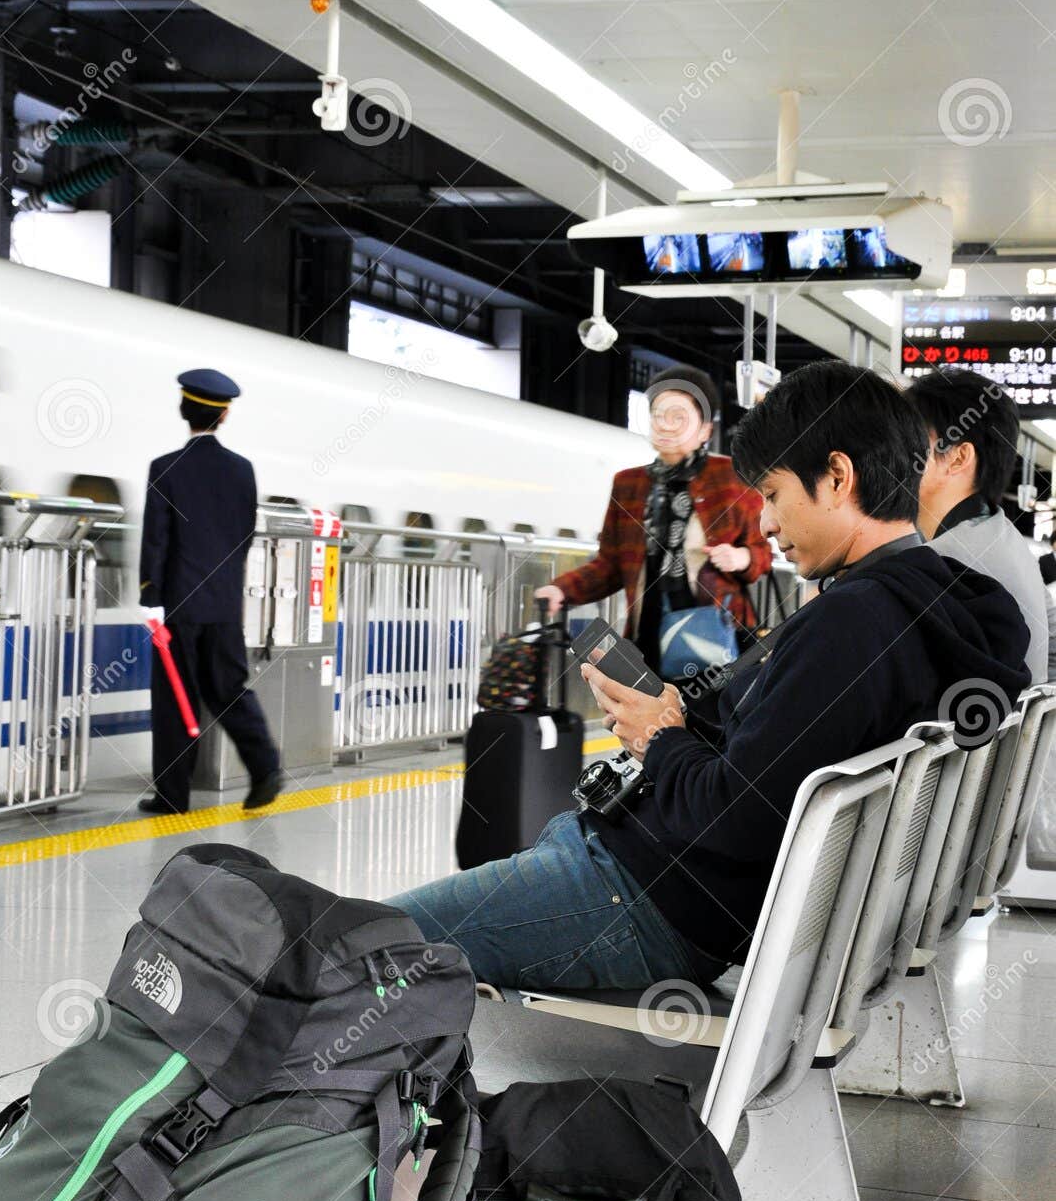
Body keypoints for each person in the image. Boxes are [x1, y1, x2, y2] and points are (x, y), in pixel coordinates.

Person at [390, 362, 1030, 991]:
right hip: (666, 884)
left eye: (775, 495)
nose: (769, 525)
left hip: (645, 898)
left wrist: (659, 734)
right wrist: (678, 720)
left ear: (837, 476)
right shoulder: (960, 604)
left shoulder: (854, 622)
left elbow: (735, 815)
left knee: (357, 941)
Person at [534, 365, 771, 679]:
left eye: (678, 417)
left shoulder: (733, 479)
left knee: (715, 721)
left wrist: (742, 558)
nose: (665, 426)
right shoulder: (628, 484)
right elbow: (610, 566)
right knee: (648, 722)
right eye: (658, 415)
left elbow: (763, 552)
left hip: (715, 632)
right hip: (647, 632)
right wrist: (561, 590)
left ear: (704, 430)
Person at [138, 368, 283, 816]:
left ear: (185, 409)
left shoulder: (165, 468)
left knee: (173, 698)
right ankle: (265, 768)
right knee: (229, 689)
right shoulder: (242, 471)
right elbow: (243, 535)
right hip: (223, 603)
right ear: (223, 416)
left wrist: (151, 596)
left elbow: (157, 539)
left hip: (180, 605)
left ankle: (172, 795)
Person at [906, 368, 1053, 684]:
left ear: (958, 458)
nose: (893, 454)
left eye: (910, 439)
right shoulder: (1007, 539)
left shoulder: (940, 563)